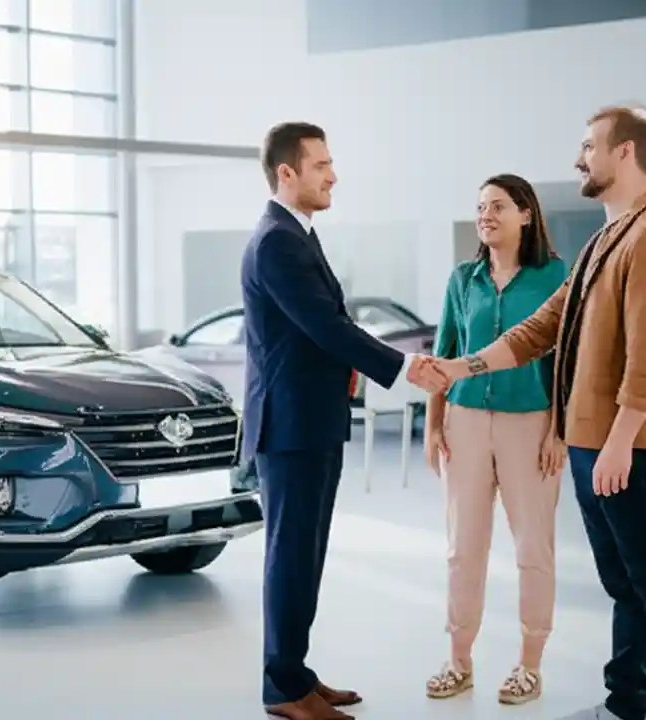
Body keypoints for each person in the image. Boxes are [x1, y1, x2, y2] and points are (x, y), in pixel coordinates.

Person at [434, 105, 646, 720]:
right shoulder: (604, 239)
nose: (578, 157)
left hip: (627, 450)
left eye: (589, 145)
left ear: (625, 154)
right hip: (591, 445)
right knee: (625, 588)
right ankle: (624, 703)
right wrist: (460, 368)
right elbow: (540, 329)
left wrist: (620, 441)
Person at [241, 121, 447, 720]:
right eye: (322, 164)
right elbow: (326, 327)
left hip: (311, 420)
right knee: (290, 555)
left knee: (306, 554)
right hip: (291, 427)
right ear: (287, 172)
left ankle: (296, 674)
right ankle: (283, 687)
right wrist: (407, 367)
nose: (333, 175)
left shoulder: (297, 234)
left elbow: (319, 332)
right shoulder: (277, 240)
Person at [423, 173, 568, 706]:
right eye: (481, 206)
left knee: (533, 547)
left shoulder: (555, 275)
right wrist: (433, 424)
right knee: (464, 548)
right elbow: (444, 352)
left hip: (531, 424)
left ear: (526, 214)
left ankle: (530, 664)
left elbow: (564, 363)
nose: (486, 214)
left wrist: (560, 430)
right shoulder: (463, 279)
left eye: (498, 205)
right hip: (464, 422)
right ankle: (458, 660)